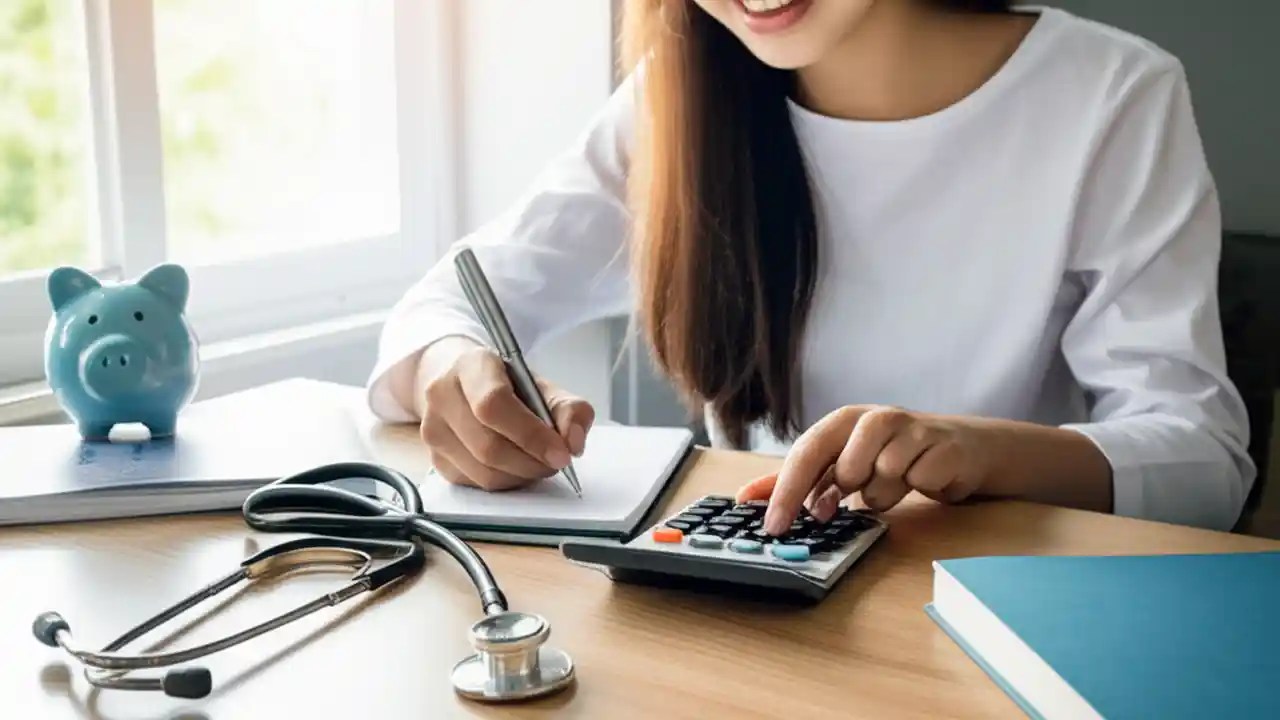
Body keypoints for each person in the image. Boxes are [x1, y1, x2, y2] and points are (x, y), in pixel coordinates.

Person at [366, 0, 1254, 533]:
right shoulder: (679, 95)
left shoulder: (1112, 94)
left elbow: (1202, 464)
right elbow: (451, 300)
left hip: (1006, 625)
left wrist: (979, 452)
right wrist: (454, 371)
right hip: (760, 621)